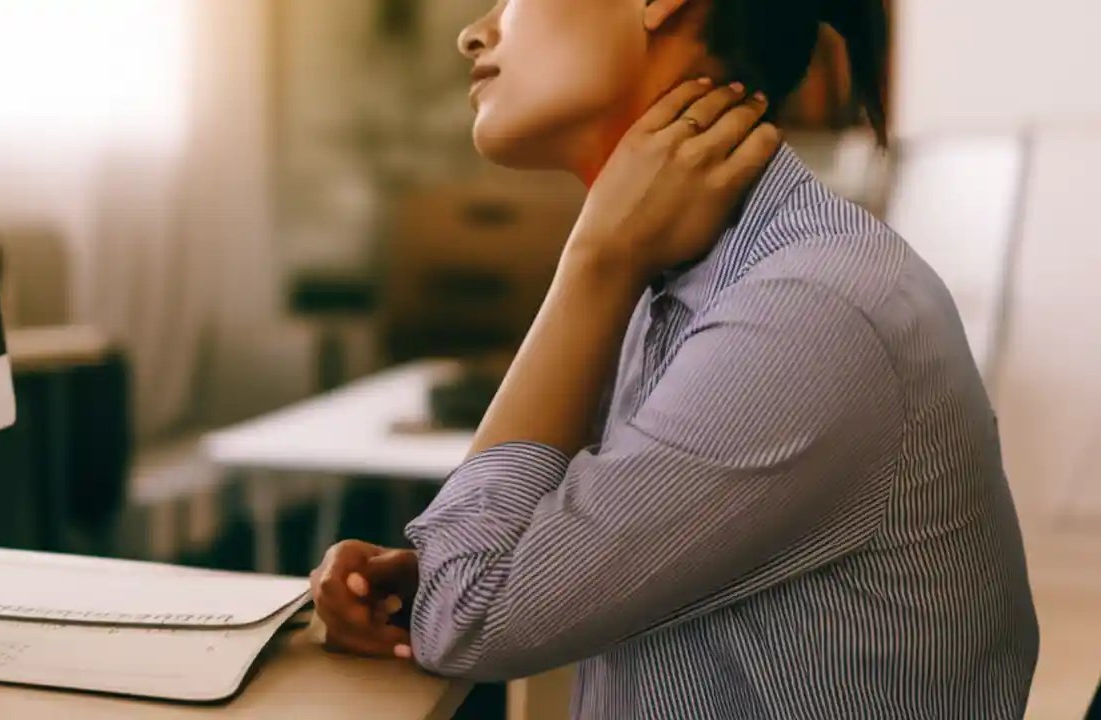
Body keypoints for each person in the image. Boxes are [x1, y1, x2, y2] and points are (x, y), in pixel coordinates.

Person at [311, 0, 1040, 717]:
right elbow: (515, 574)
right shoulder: (690, 264)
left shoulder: (806, 306)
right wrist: (427, 579)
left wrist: (592, 264)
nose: (476, 33)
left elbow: (467, 616)